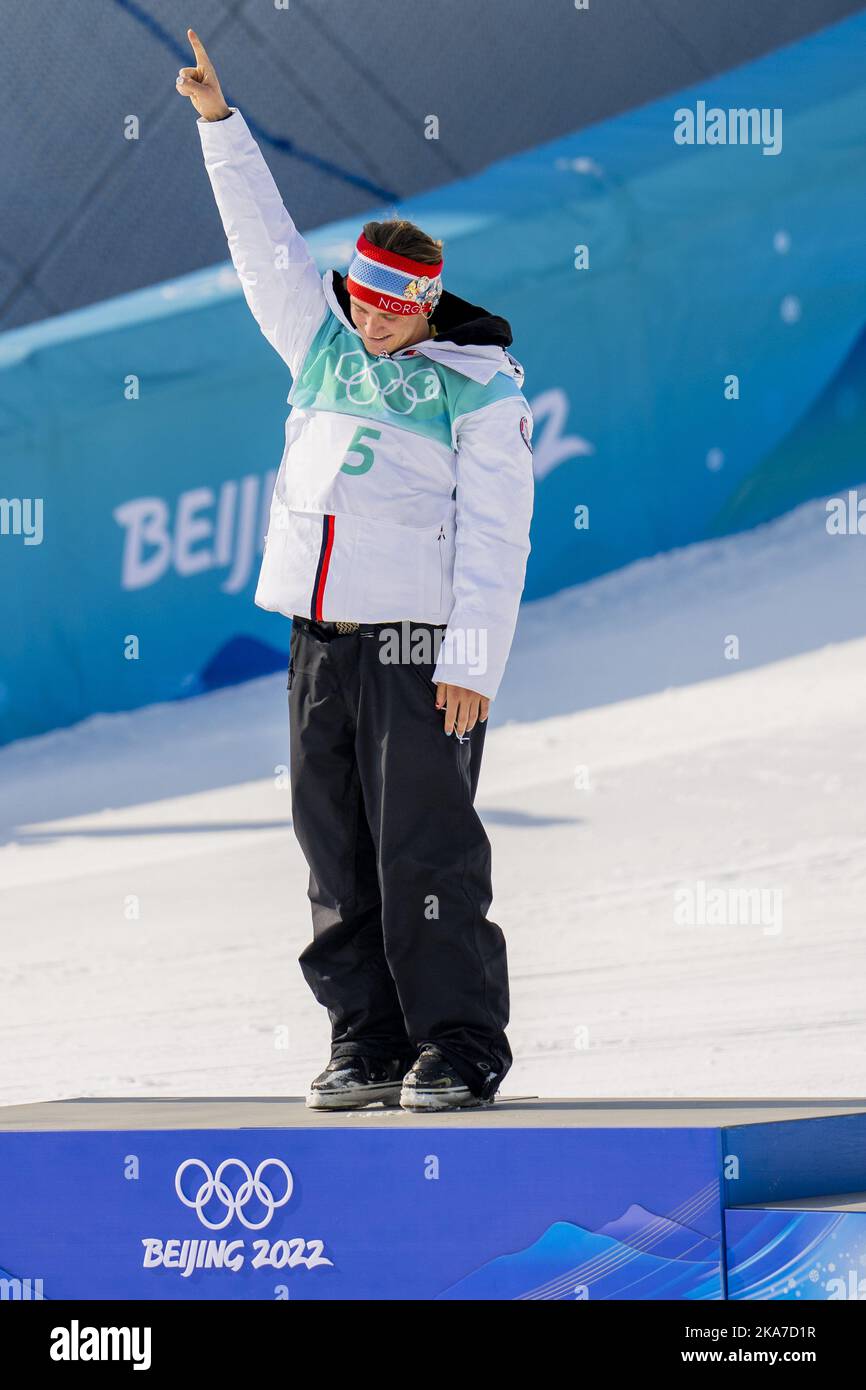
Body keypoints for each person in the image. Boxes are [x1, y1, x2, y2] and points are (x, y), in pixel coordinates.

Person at [177, 29, 534, 1111]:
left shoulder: (477, 391)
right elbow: (263, 250)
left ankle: (459, 1044)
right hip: (317, 639)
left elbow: (496, 535)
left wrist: (471, 659)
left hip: (419, 649)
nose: (375, 318)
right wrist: (217, 125)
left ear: (427, 305)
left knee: (424, 854)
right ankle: (366, 1041)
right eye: (364, 298)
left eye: (395, 305)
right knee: (333, 854)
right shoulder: (317, 342)